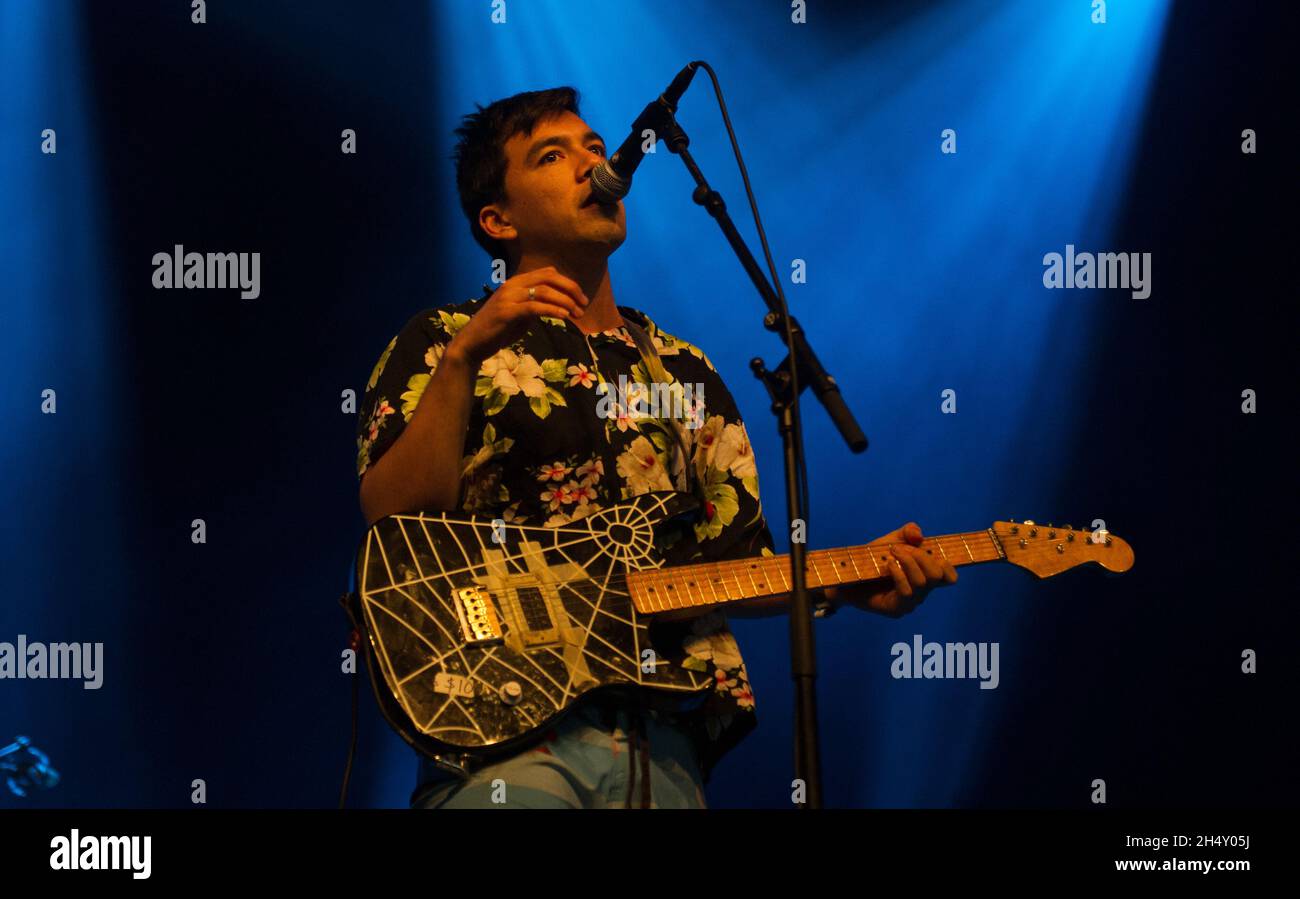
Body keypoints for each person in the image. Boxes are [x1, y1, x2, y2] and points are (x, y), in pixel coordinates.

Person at [355, 87, 957, 809]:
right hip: (503, 741)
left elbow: (732, 564)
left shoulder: (683, 370)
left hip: (663, 746)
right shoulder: (445, 340)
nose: (591, 166)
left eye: (595, 149)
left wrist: (847, 582)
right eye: (553, 155)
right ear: (497, 218)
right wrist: (464, 356)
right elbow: (390, 517)